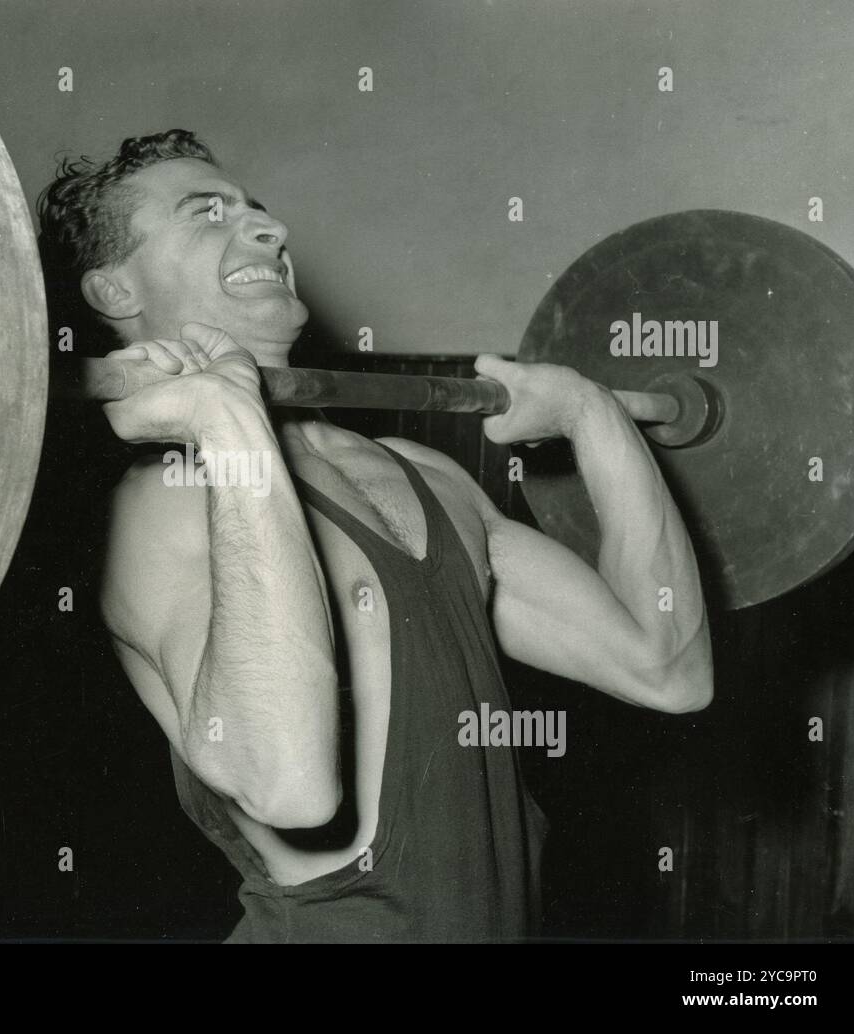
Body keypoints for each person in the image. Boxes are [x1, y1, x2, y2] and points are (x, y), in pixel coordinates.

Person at [37, 129, 713, 943]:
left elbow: (668, 668)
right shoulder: (163, 509)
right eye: (206, 213)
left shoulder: (425, 476)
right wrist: (227, 422)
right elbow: (287, 787)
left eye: (256, 209)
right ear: (114, 293)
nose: (269, 230)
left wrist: (591, 416)